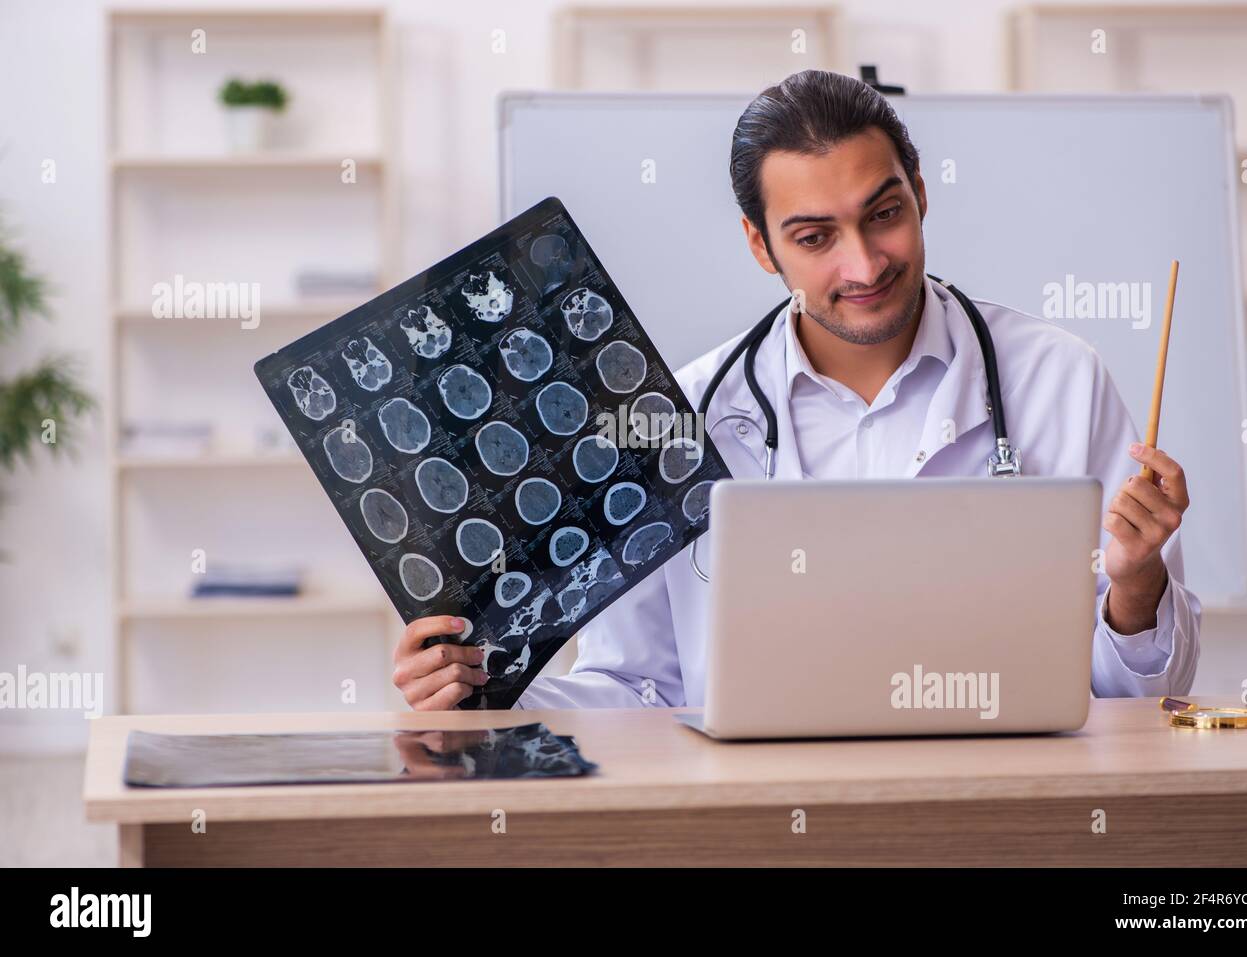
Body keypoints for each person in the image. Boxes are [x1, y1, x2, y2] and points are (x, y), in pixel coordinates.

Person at [393, 69, 1200, 712]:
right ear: (760, 243)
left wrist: (1136, 585)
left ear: (920, 189)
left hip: (998, 815)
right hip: (762, 824)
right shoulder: (680, 417)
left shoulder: (1058, 378)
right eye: (815, 237)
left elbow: (1136, 701)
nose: (864, 264)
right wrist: (481, 695)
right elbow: (640, 688)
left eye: (883, 213)